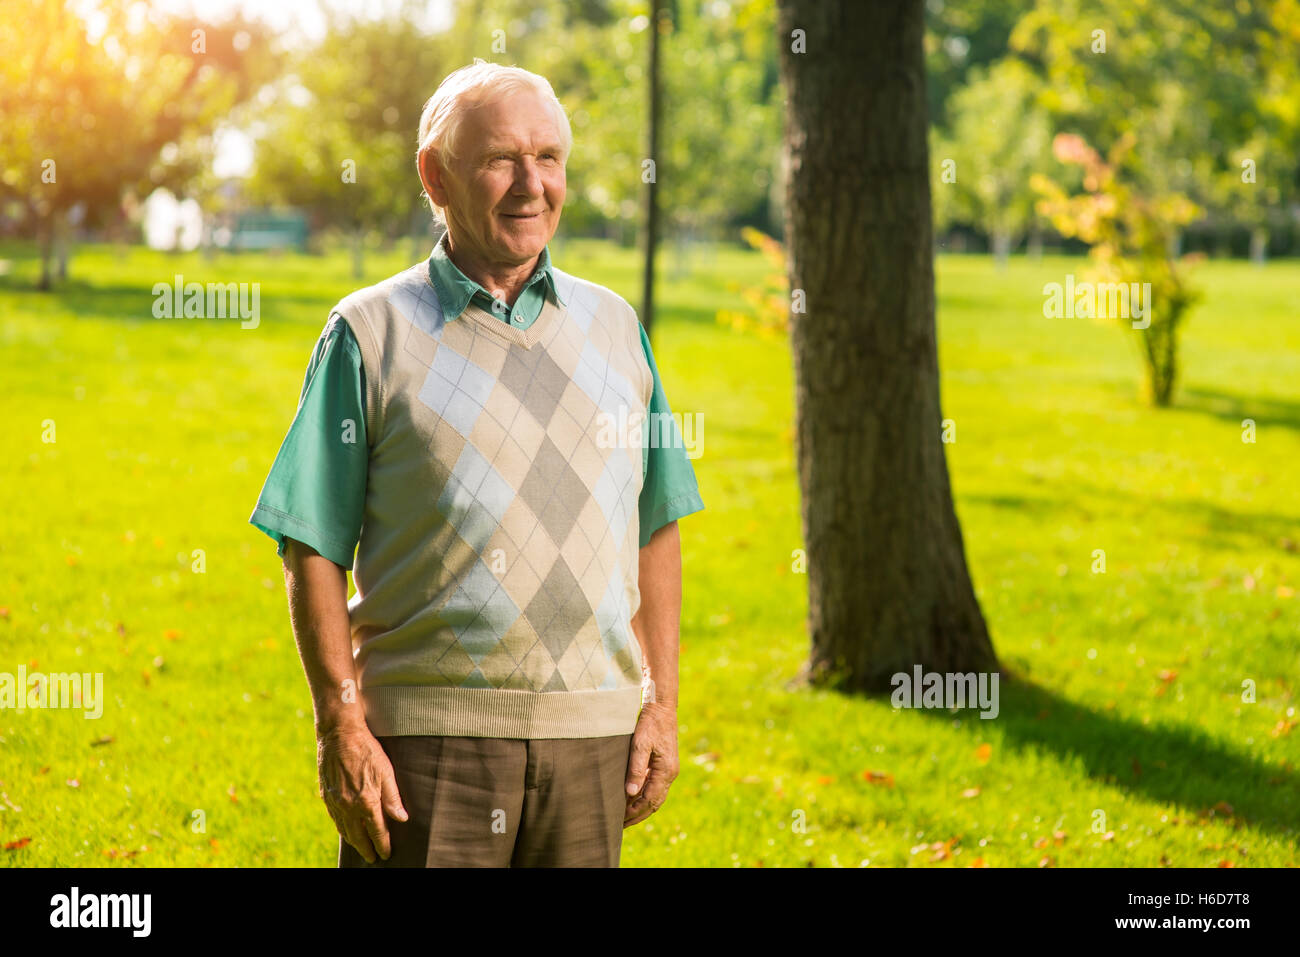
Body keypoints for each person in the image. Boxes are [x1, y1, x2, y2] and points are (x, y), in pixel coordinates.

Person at [248, 60, 704, 867]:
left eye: (549, 159)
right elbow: (310, 542)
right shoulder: (369, 331)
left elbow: (656, 522)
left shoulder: (616, 326)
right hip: (425, 750)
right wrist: (341, 724)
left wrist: (658, 704)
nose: (531, 184)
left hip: (592, 741)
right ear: (436, 175)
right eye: (500, 159)